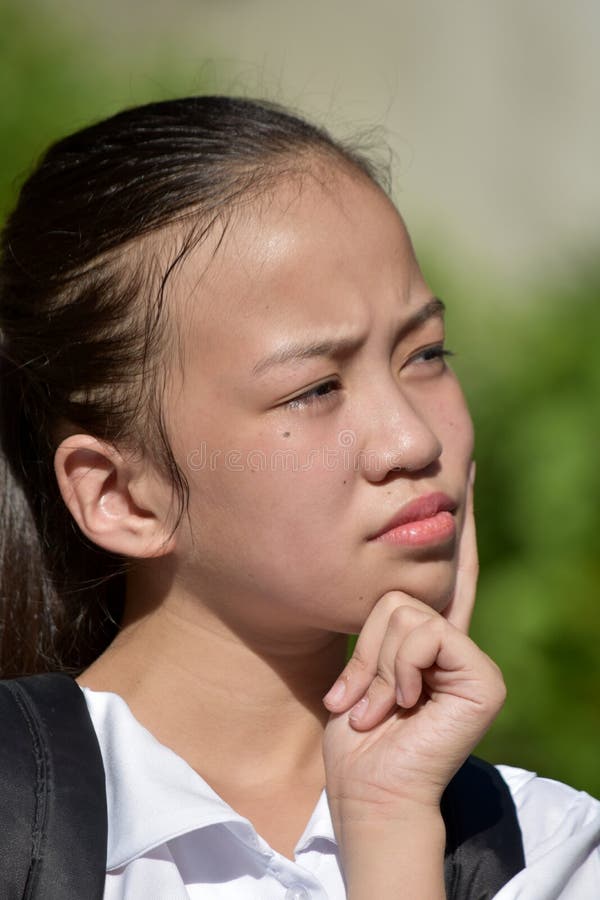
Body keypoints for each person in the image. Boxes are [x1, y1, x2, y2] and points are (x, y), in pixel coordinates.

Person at [0, 96, 598, 899]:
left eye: (425, 353)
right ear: (120, 497)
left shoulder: (543, 850)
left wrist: (390, 829)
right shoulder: (24, 825)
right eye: (315, 389)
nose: (413, 441)